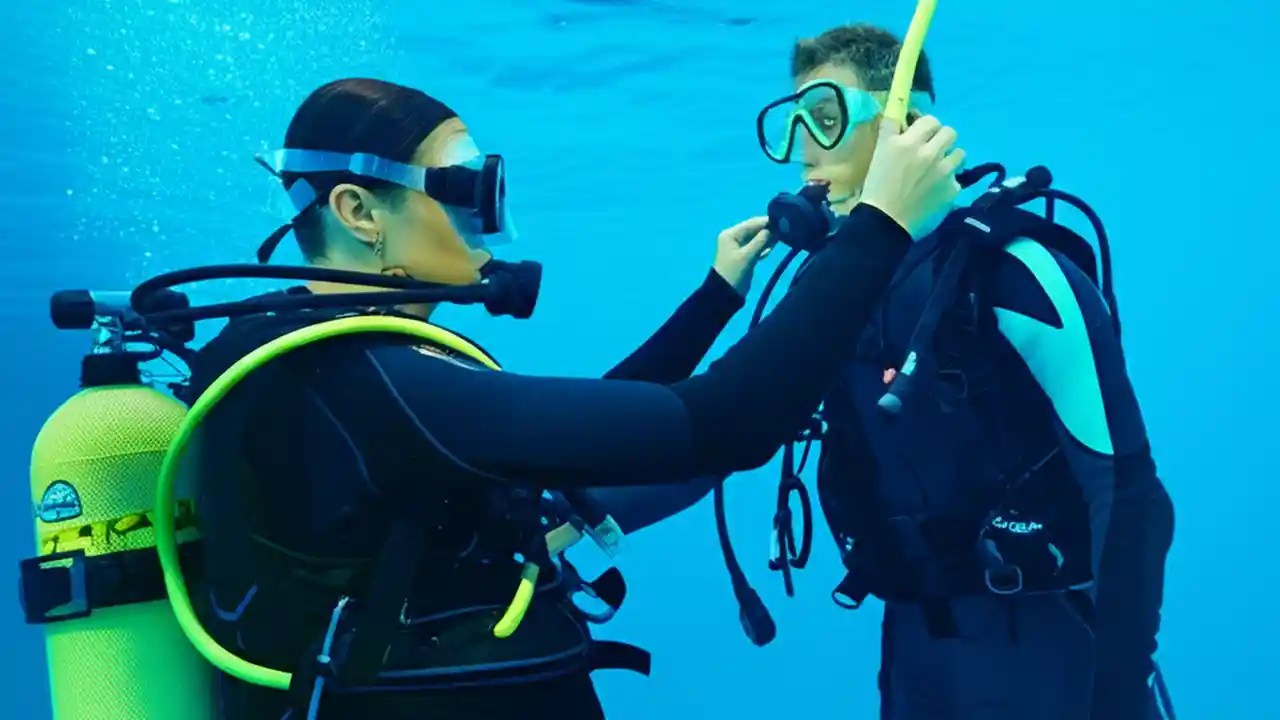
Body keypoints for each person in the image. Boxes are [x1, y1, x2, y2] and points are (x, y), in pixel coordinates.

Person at [182, 77, 963, 719]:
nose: (485, 227)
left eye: (488, 194)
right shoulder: (375, 382)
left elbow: (569, 433)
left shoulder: (324, 364)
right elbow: (727, 424)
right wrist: (881, 223)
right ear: (357, 212)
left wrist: (715, 298)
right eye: (462, 193)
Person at [752, 24, 1176, 719]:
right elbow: (720, 433)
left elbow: (1130, 495)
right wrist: (570, 512)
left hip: (1047, 651)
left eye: (825, 117)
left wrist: (1118, 691)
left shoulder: (1017, 272)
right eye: (793, 120)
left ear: (907, 125)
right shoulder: (825, 288)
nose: (803, 144)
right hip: (914, 653)